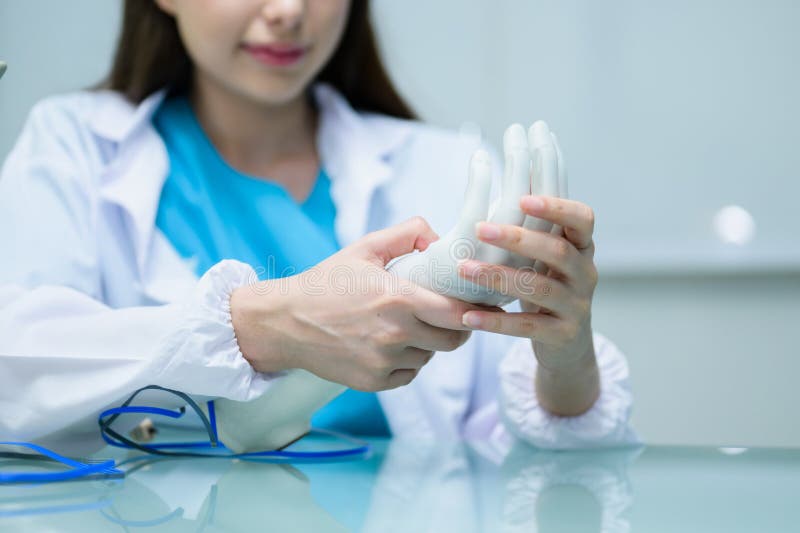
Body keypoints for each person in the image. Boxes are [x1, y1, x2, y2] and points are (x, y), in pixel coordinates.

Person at [0, 0, 636, 454]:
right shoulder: (75, 147)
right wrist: (260, 327)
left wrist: (565, 358)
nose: (288, 11)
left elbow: (518, 466)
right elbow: (17, 365)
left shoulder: (448, 167)